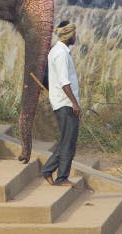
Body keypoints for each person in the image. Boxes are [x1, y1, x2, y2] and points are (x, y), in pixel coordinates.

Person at [41, 21, 80, 186]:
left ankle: (49, 170)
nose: (76, 37)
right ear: (70, 35)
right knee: (68, 142)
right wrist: (74, 103)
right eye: (75, 34)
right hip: (65, 104)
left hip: (63, 102)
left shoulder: (58, 51)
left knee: (67, 140)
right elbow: (64, 82)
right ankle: (61, 177)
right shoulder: (61, 54)